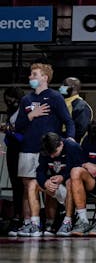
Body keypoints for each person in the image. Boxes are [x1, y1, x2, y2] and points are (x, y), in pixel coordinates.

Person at [12, 63, 75, 237]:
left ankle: (49, 223)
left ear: (44, 77)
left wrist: (69, 139)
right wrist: (32, 115)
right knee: (28, 187)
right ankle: (28, 223)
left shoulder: (55, 97)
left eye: (34, 74)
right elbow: (18, 127)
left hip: (47, 151)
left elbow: (68, 121)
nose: (30, 77)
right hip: (28, 149)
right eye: (30, 75)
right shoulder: (26, 100)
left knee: (48, 187)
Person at [29, 133, 83, 237]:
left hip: (74, 189)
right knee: (33, 183)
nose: (52, 156)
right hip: (57, 186)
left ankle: (67, 222)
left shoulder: (73, 147)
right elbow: (40, 171)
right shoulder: (46, 148)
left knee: (70, 181)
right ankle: (35, 224)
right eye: (50, 154)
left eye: (54, 152)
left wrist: (63, 177)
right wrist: (45, 182)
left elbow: (80, 170)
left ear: (61, 144)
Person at [3, 87, 25, 225]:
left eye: (10, 98)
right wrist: (7, 130)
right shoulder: (10, 111)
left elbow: (24, 133)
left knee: (24, 184)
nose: (8, 101)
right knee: (15, 184)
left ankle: (25, 215)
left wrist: (11, 132)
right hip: (11, 148)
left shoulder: (25, 110)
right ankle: (17, 213)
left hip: (22, 148)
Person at [59, 77, 92, 143]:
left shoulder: (81, 106)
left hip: (74, 145)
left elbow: (80, 130)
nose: (60, 88)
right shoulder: (61, 102)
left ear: (73, 88)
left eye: (64, 86)